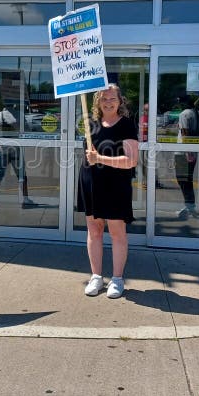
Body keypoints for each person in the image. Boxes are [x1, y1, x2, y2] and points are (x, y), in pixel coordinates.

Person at [77, 84, 139, 299]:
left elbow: (131, 161)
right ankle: (96, 276)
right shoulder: (90, 125)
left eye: (113, 98)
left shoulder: (127, 125)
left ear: (120, 101)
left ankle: (117, 279)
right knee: (94, 230)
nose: (109, 102)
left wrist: (100, 159)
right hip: (91, 182)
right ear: (97, 102)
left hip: (115, 184)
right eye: (104, 99)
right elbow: (87, 155)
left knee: (116, 232)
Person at [0, 104, 35, 208]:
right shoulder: (19, 115)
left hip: (1, 150)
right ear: (14, 104)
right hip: (15, 149)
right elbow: (27, 131)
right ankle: (25, 199)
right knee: (22, 176)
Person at [174, 95, 199, 218]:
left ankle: (189, 205)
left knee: (182, 179)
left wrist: (187, 151)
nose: (179, 105)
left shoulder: (184, 114)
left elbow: (185, 132)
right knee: (187, 179)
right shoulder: (196, 113)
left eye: (180, 103)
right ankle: (190, 205)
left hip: (183, 152)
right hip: (193, 150)